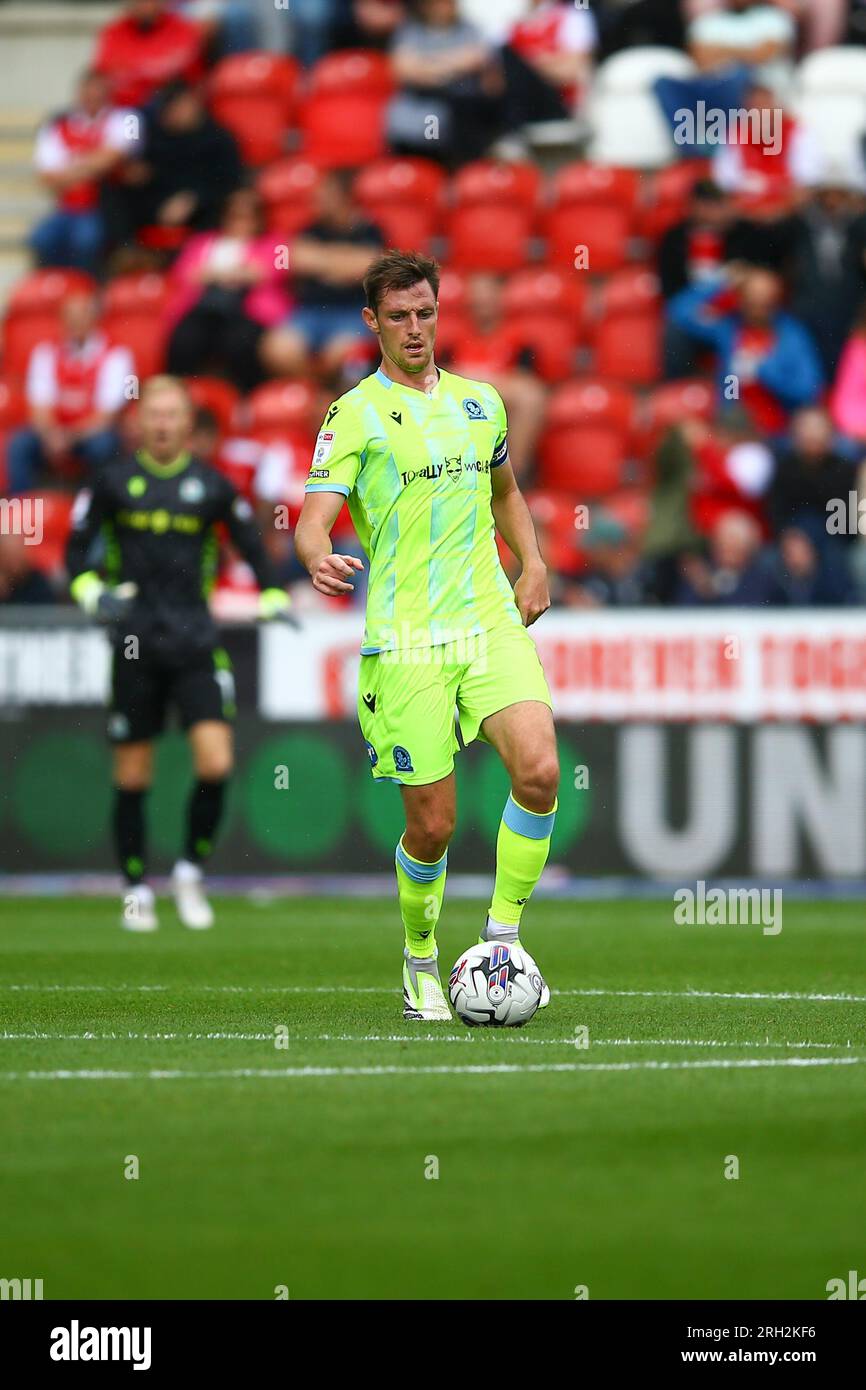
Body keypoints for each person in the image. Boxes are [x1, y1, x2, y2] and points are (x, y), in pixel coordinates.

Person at [295, 249, 558, 1022]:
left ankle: (502, 940)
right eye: (399, 316)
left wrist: (533, 561)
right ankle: (419, 959)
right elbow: (314, 522)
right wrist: (318, 559)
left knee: (540, 770)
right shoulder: (354, 415)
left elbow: (505, 492)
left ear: (440, 312)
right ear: (372, 322)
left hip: (487, 622)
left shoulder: (483, 403)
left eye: (426, 312)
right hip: (407, 639)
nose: (416, 328)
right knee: (433, 825)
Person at [65, 374, 292, 932]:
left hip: (195, 642)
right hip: (135, 646)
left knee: (216, 762)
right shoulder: (112, 482)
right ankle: (136, 889)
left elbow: (252, 546)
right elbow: (75, 553)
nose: (163, 424)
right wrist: (92, 592)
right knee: (133, 774)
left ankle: (190, 872)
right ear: (139, 423)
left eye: (173, 415)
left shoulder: (212, 487)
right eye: (154, 414)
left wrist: (271, 594)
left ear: (190, 424)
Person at [668, 263, 824, 434]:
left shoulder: (792, 335)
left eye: (766, 303)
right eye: (752, 301)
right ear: (740, 299)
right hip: (733, 428)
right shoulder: (729, 329)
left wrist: (765, 371)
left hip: (778, 432)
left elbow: (809, 390)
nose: (758, 310)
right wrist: (720, 282)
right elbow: (679, 311)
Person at [261, 170, 384, 383]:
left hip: (353, 311)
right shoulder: (309, 229)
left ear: (344, 197)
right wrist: (344, 261)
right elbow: (296, 260)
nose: (317, 201)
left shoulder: (370, 230)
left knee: (341, 353)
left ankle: (326, 393)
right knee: (277, 348)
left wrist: (320, 260)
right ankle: (315, 388)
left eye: (325, 196)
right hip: (309, 310)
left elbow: (369, 266)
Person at [166, 188, 292, 392]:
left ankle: (248, 398)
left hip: (248, 312)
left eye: (248, 216)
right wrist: (236, 273)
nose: (241, 222)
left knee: (239, 343)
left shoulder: (274, 241)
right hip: (204, 309)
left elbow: (277, 270)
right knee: (184, 339)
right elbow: (183, 273)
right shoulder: (202, 241)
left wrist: (218, 273)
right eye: (235, 215)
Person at [6, 292, 132, 494]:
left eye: (81, 316)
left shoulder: (118, 354)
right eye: (70, 317)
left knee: (104, 444)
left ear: (94, 318)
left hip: (91, 433)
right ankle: (19, 512)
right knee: (19, 444)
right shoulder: (44, 352)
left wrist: (69, 437)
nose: (76, 323)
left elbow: (108, 414)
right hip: (54, 431)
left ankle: (93, 507)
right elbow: (39, 404)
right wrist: (51, 434)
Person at [103, 80, 244, 252]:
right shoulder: (154, 132)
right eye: (167, 111)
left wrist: (195, 198)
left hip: (198, 205)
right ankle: (127, 252)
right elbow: (139, 162)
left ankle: (196, 257)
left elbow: (229, 182)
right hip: (158, 200)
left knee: (221, 208)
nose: (172, 115)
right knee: (112, 190)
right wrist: (133, 169)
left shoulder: (219, 138)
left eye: (178, 107)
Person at [30, 69, 139, 274]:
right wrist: (93, 164)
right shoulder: (56, 123)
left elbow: (119, 155)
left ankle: (88, 289)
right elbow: (46, 177)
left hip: (108, 206)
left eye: (98, 92)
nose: (93, 98)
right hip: (68, 207)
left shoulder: (129, 118)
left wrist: (72, 166)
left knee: (86, 240)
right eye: (88, 92)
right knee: (41, 238)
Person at [388, 0, 504, 164]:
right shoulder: (412, 31)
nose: (445, 6)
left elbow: (482, 62)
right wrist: (456, 65)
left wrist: (429, 63)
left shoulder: (470, 29)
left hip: (463, 115)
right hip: (424, 109)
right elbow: (405, 70)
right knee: (428, 135)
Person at [92, 0, 205, 111]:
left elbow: (185, 65)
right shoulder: (114, 31)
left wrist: (137, 72)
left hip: (168, 106)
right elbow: (107, 71)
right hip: (124, 107)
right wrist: (152, 71)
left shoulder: (183, 28)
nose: (144, 5)